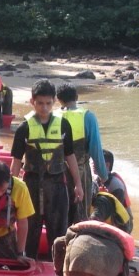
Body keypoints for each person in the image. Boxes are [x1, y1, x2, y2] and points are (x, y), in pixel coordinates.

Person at [9, 79, 85, 259]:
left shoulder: (63, 125)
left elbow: (70, 156)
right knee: (31, 228)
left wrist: (78, 184)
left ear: (54, 102)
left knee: (58, 230)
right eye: (40, 103)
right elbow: (17, 161)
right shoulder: (24, 128)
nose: (44, 107)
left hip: (57, 185)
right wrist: (11, 189)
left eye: (48, 103)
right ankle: (29, 261)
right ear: (32, 102)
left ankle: (57, 267)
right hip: (31, 185)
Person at [51, 216, 135, 276]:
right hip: (111, 260)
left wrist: (58, 269)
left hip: (80, 255)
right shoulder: (117, 237)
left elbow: (57, 242)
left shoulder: (77, 230)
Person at [55, 84, 109, 225]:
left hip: (55, 173)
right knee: (81, 213)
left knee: (60, 212)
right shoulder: (88, 117)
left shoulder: (53, 116)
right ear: (77, 97)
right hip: (80, 172)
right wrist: (103, 175)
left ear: (58, 99)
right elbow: (95, 149)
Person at [102, 150, 133, 228]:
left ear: (107, 165)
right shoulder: (98, 180)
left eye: (97, 160)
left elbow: (118, 215)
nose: (93, 163)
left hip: (123, 223)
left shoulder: (116, 185)